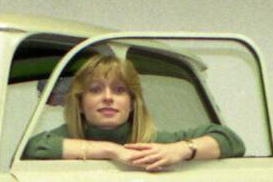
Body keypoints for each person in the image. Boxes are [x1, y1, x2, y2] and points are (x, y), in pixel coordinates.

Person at [24, 54, 244, 171]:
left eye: (119, 90)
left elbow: (230, 140)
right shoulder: (63, 137)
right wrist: (112, 151)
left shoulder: (152, 143)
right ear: (80, 103)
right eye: (95, 90)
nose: (108, 97)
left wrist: (180, 150)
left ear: (132, 103)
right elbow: (33, 148)